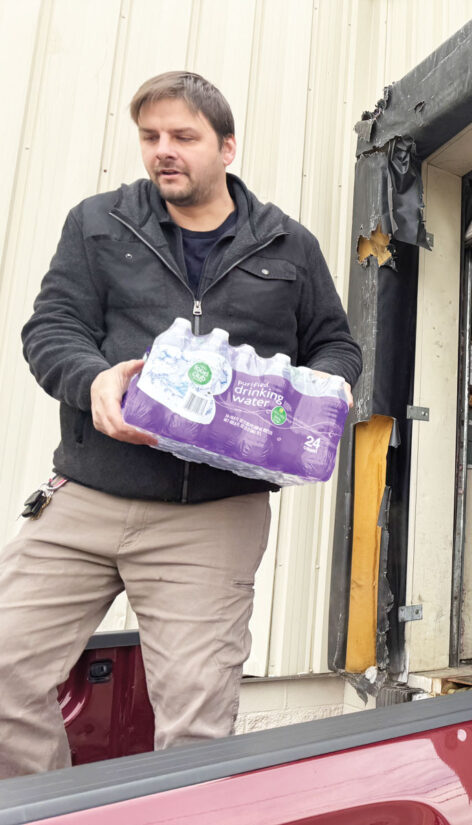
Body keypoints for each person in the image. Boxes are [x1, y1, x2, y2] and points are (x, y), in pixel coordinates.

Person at [0, 71, 362, 778]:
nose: (163, 150)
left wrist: (323, 394)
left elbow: (335, 345)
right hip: (88, 493)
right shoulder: (99, 223)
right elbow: (52, 327)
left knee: (197, 726)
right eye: (150, 136)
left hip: (213, 517)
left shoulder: (288, 244)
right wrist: (92, 378)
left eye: (183, 136)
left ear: (226, 147)